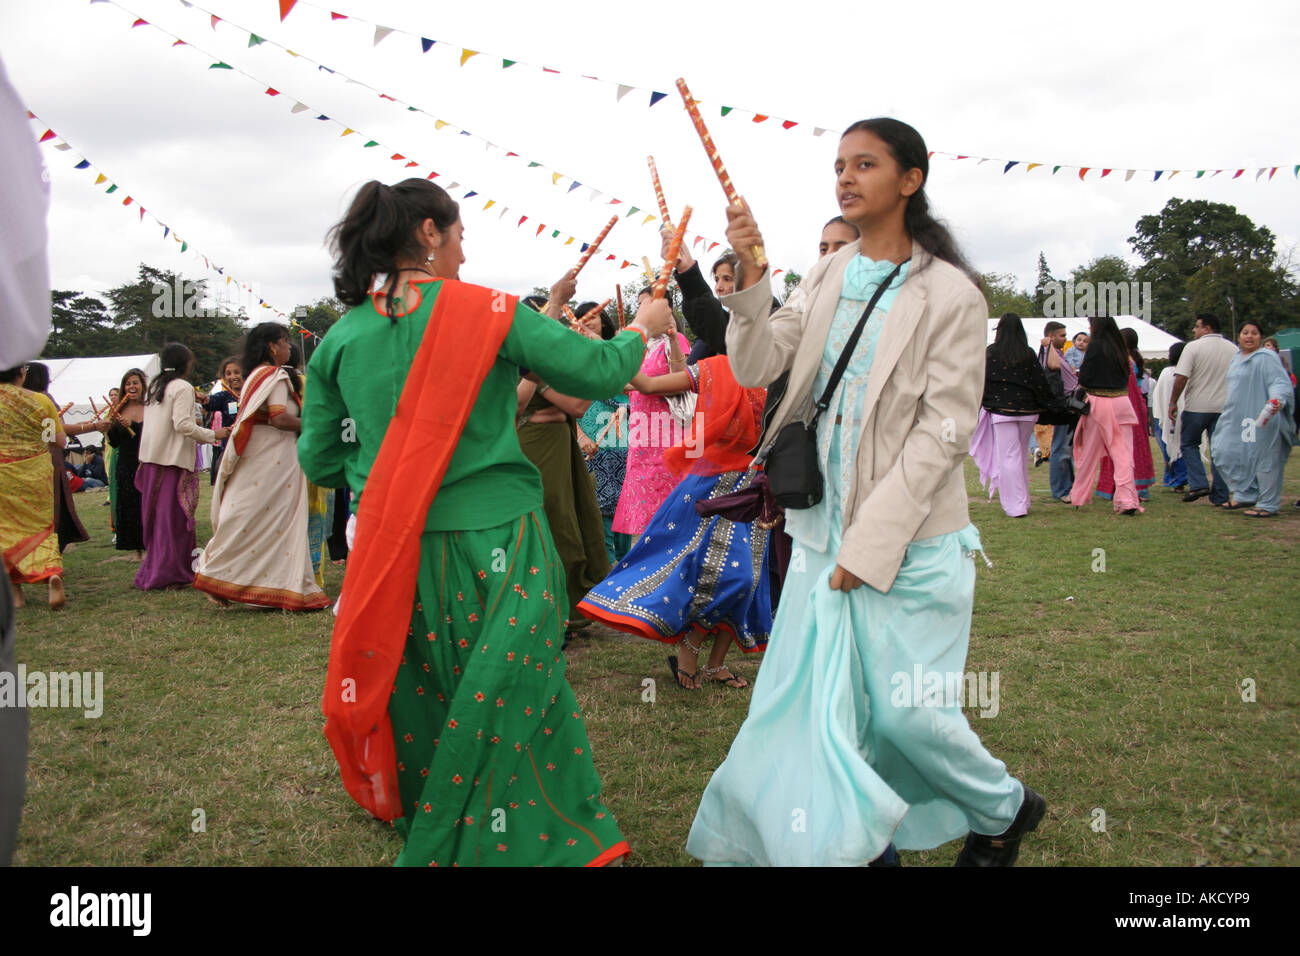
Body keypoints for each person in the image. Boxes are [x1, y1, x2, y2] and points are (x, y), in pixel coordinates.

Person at [688, 118, 1044, 867]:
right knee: (811, 717)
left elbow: (945, 430)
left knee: (911, 717)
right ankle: (853, 848)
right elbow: (758, 368)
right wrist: (750, 285)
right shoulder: (825, 273)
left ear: (911, 179)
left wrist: (871, 541)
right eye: (839, 165)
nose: (846, 178)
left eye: (865, 164)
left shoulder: (952, 294)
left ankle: (1005, 809)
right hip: (819, 538)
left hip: (911, 545)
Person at [298, 177, 674, 867]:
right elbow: (592, 370)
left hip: (392, 555)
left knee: (427, 693)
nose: (465, 255)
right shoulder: (488, 311)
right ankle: (519, 839)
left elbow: (320, 457)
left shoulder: (339, 338)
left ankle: (439, 821)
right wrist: (644, 330)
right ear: (430, 233)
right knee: (518, 687)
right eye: (461, 235)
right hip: (497, 540)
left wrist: (390, 466)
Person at [579, 354, 771, 690]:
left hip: (756, 487)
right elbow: (650, 385)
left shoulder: (784, 375)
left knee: (750, 582)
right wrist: (622, 350)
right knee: (731, 575)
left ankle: (715, 666)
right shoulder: (716, 368)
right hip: (713, 487)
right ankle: (690, 646)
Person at [190, 325, 327, 610]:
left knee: (251, 518)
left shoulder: (255, 375)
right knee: (268, 519)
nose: (290, 348)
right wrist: (318, 426)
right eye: (286, 343)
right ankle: (216, 574)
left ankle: (237, 580)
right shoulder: (274, 375)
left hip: (261, 455)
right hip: (273, 457)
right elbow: (279, 417)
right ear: (273, 347)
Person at [514, 295, 611, 633]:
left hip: (561, 444)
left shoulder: (548, 359)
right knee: (557, 523)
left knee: (580, 516)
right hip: (538, 449)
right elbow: (577, 405)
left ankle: (578, 606)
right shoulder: (528, 362)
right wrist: (600, 376)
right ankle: (556, 609)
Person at [133, 344, 227, 590]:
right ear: (185, 363)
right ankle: (171, 572)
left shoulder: (155, 386)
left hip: (152, 460)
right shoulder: (182, 387)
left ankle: (158, 569)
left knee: (157, 520)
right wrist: (212, 433)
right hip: (172, 462)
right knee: (175, 519)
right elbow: (183, 424)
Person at [611, 289, 693, 539]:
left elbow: (680, 378)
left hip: (668, 430)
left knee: (672, 507)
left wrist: (671, 340)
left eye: (647, 304)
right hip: (640, 435)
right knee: (644, 513)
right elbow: (622, 383)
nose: (642, 309)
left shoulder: (676, 339)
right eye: (640, 304)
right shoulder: (639, 344)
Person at [971, 314, 1068, 517]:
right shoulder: (1028, 353)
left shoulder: (991, 353)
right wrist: (1052, 405)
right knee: (1019, 456)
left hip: (1002, 413)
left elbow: (981, 380)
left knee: (1008, 458)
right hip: (1027, 412)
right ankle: (1022, 500)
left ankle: (1016, 505)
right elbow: (1039, 382)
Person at [1211, 321, 1296, 516]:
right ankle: (1245, 493)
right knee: (1228, 451)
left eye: (1255, 333)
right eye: (1245, 333)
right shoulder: (1236, 358)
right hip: (1240, 419)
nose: (1249, 337)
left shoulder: (1267, 357)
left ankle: (1268, 504)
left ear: (1261, 337)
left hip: (1264, 418)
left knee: (1266, 459)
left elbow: (1279, 382)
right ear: (1239, 336)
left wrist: (1276, 401)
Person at [1, 364, 67, 609]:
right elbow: (57, 440)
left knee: (4, 531)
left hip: (2, 475)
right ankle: (52, 574)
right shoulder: (40, 400)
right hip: (36, 474)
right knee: (42, 528)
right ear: (21, 374)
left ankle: (15, 592)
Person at [1069, 316, 1142, 514]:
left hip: (1099, 402)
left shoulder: (1095, 346)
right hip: (1122, 402)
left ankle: (1079, 495)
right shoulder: (1120, 347)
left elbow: (1085, 376)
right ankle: (1127, 499)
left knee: (1089, 451)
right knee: (1123, 453)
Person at [1169, 314, 1238, 504]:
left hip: (1197, 406)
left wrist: (1173, 401)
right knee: (1219, 451)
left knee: (1189, 444)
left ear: (1207, 328)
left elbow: (1181, 377)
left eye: (1197, 326)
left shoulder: (1193, 347)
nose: (1194, 330)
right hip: (1224, 407)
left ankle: (1199, 483)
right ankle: (1221, 495)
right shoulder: (1233, 348)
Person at [21, 362, 90, 552]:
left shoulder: (15, 399)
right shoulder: (43, 399)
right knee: (53, 504)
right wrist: (91, 427)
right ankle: (51, 546)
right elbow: (53, 436)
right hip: (47, 458)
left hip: (22, 461)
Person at [1095, 328, 1155, 502]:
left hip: (1124, 405)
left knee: (1121, 447)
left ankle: (1127, 486)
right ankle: (1133, 486)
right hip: (1135, 406)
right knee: (1131, 446)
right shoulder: (1132, 360)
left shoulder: (1123, 361)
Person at [105, 368, 148, 560]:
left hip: (147, 461)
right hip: (126, 463)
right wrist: (117, 426)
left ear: (142, 386)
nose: (132, 386)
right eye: (128, 383)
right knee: (130, 505)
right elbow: (113, 441)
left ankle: (151, 544)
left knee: (148, 504)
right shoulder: (118, 410)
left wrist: (133, 426)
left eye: (135, 383)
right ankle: (136, 548)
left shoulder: (152, 407)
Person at [1151, 342, 1189, 492]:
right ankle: (1178, 479)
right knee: (1181, 448)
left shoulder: (1167, 372)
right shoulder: (1186, 372)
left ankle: (1176, 479)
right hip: (1183, 415)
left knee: (1169, 447)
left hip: (1166, 417)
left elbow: (1158, 395)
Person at [1031, 322, 1066, 469]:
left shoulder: (1057, 352)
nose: (1065, 338)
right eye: (1062, 335)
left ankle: (1038, 449)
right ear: (1051, 336)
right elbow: (1054, 366)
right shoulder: (1048, 351)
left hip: (1054, 401)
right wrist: (1049, 345)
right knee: (1058, 442)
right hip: (1054, 401)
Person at [204, 356, 243, 485]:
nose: (233, 377)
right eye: (228, 374)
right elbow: (210, 402)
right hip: (229, 449)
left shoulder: (253, 394)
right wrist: (203, 398)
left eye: (237, 372)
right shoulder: (225, 396)